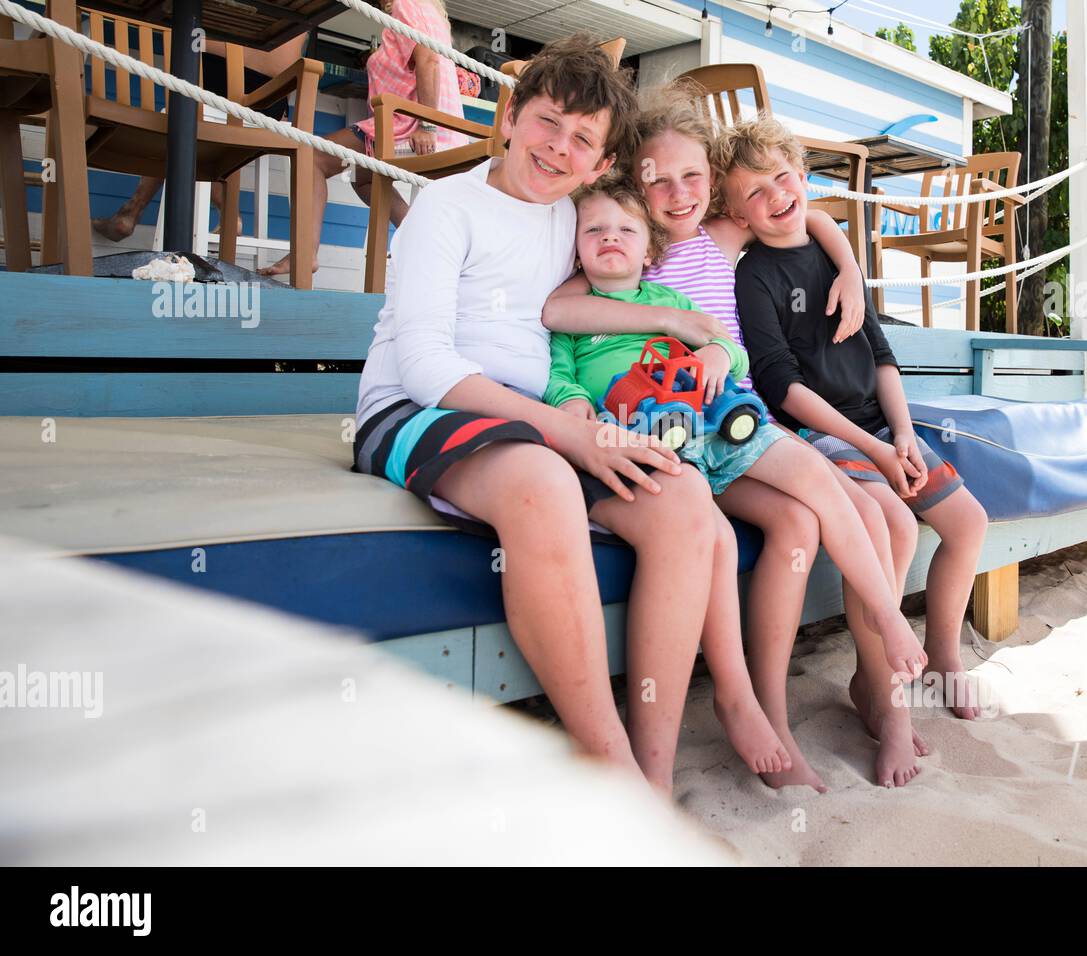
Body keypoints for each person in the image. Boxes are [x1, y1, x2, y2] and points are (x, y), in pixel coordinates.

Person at [352, 35, 723, 794]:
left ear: (600, 164)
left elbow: (646, 269)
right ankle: (607, 764)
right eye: (548, 122)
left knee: (683, 498)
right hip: (417, 408)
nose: (559, 149)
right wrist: (567, 432)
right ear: (512, 115)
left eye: (583, 140)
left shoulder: (575, 222)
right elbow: (423, 362)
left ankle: (653, 780)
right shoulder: (449, 205)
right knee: (545, 481)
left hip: (539, 419)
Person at [543, 86, 922, 788]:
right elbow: (561, 309)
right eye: (660, 180)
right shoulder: (625, 246)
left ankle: (804, 695)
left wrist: (849, 270)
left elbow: (809, 214)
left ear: (713, 185)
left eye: (695, 178)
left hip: (735, 420)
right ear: (635, 183)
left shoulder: (719, 234)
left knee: (817, 512)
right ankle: (747, 702)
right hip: (664, 433)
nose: (680, 194)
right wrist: (683, 333)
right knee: (767, 519)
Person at [720, 115, 991, 770]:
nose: (776, 197)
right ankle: (880, 692)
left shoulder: (834, 248)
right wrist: (870, 449)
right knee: (891, 527)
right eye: (754, 194)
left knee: (968, 521)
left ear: (802, 174)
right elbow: (780, 384)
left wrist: (900, 433)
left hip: (878, 422)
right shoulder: (753, 275)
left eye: (782, 178)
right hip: (822, 433)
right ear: (737, 212)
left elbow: (882, 353)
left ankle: (946, 652)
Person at [258, 0, 469, 277]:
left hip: (416, 133)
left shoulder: (409, 3)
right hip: (440, 134)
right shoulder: (427, 12)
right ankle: (420, 234)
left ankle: (305, 253)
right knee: (364, 177)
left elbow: (428, 58)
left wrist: (427, 126)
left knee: (310, 156)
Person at [92, 34, 308, 243]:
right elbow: (284, 62)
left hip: (215, 97)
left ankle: (133, 210)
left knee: (182, 120)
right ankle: (228, 213)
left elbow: (195, 37)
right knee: (191, 122)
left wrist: (200, 39)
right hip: (269, 104)